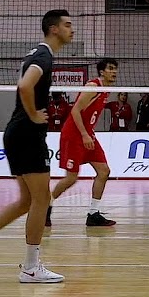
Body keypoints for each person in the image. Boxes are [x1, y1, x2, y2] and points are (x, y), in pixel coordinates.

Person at [0, 10, 74, 283]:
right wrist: (34, 114)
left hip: (17, 133)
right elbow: (25, 86)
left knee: (26, 201)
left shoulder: (37, 54)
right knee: (42, 200)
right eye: (67, 25)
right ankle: (31, 267)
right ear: (53, 29)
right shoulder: (43, 55)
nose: (72, 29)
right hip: (27, 134)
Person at [47, 58, 119, 228]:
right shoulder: (93, 87)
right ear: (102, 71)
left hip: (88, 134)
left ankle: (93, 214)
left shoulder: (107, 89)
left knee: (104, 171)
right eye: (110, 68)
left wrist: (88, 134)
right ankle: (46, 206)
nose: (114, 72)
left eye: (115, 69)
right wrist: (85, 134)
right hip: (74, 134)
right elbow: (75, 110)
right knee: (71, 178)